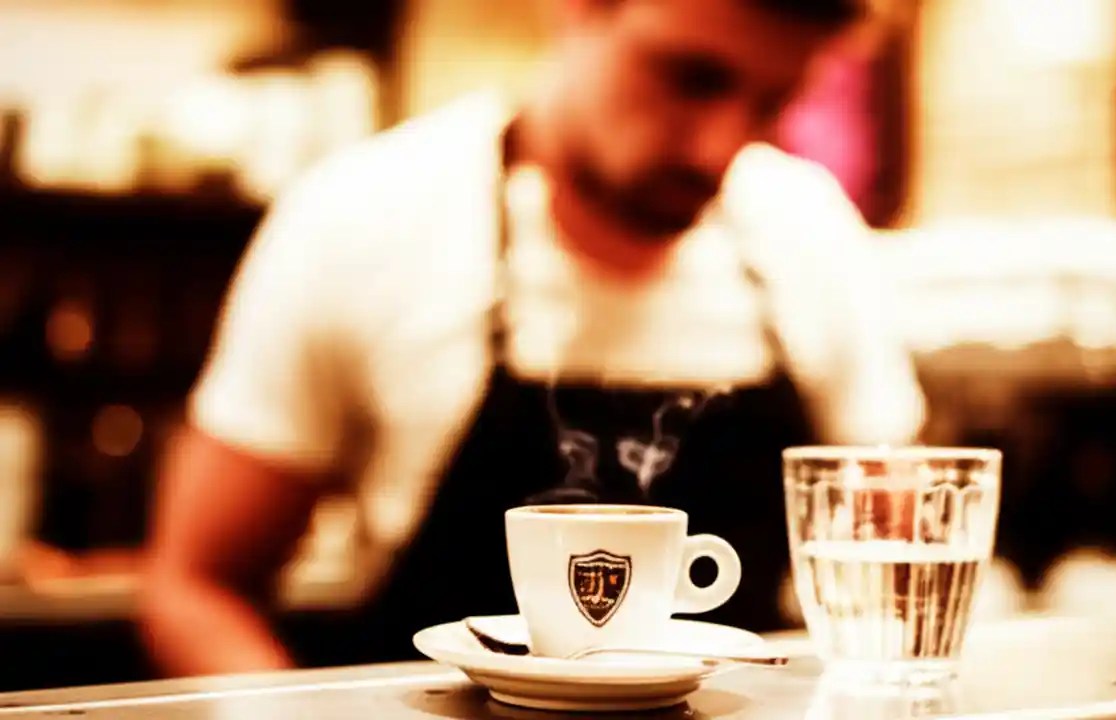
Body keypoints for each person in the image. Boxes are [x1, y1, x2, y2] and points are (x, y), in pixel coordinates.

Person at [140, 0, 924, 676]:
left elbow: (899, 568)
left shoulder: (808, 233)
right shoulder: (363, 218)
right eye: (691, 78)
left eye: (771, 103)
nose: (719, 147)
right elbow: (196, 587)